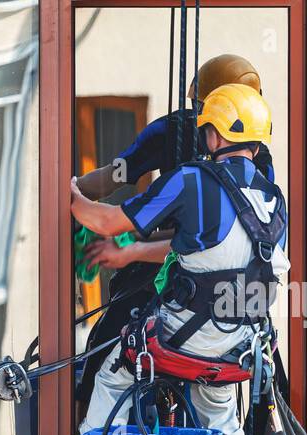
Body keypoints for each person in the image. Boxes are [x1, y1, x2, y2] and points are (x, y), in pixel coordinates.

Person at [24, 84, 289, 435]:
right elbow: (204, 252)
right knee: (225, 425)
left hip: (177, 340)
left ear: (211, 136)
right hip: (234, 348)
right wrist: (133, 256)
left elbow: (108, 222)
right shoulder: (272, 201)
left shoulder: (193, 182)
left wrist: (70, 196)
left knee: (112, 374)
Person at [73, 54, 273, 408]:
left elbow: (118, 177)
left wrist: (77, 195)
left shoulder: (225, 153)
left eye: (202, 107)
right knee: (251, 378)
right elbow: (120, 173)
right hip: (217, 291)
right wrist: (83, 189)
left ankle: (85, 430)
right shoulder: (248, 156)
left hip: (179, 272)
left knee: (108, 353)